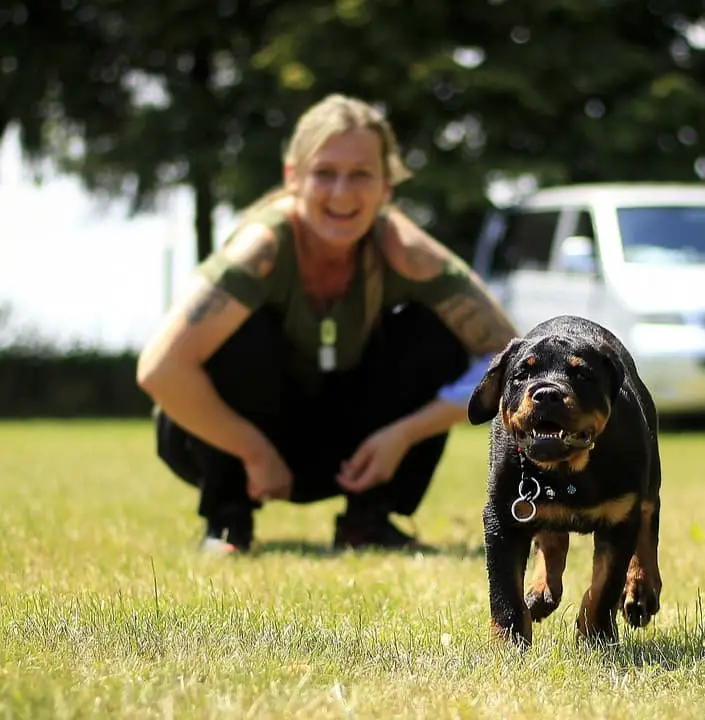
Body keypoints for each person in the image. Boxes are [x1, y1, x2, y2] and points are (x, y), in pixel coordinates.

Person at [136, 93, 519, 554]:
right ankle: (227, 519)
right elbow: (160, 369)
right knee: (235, 334)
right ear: (292, 179)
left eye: (361, 175)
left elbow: (515, 360)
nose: (341, 193)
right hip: (246, 445)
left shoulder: (406, 250)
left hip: (355, 452)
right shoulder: (261, 248)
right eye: (324, 173)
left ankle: (368, 520)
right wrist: (253, 450)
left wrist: (406, 432)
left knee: (431, 332)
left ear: (386, 189)